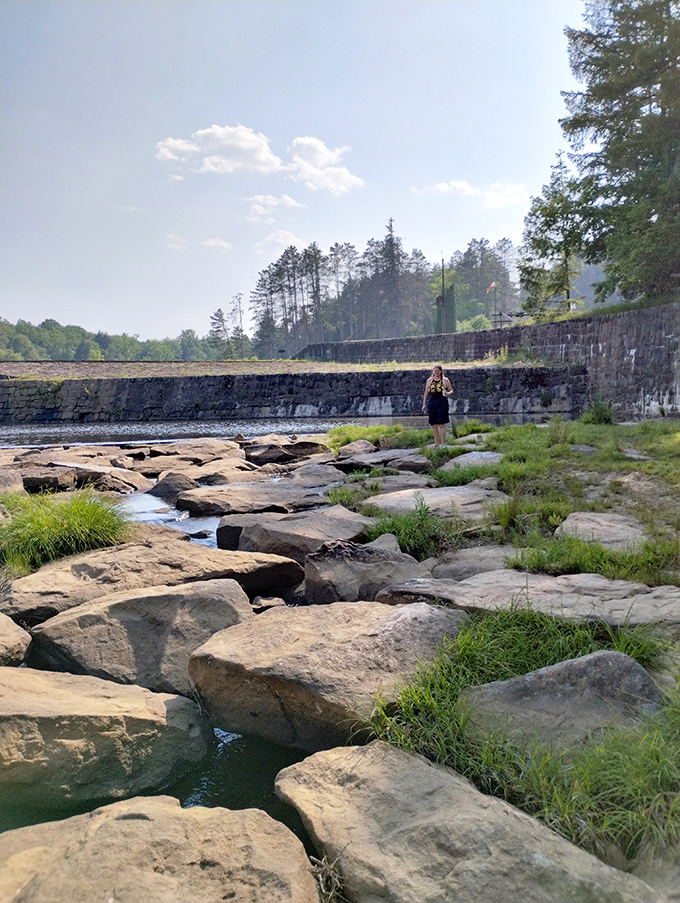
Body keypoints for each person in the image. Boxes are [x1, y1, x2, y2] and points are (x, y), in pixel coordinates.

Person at [422, 364, 453, 448]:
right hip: (432, 402)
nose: (436, 372)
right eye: (435, 371)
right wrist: (424, 404)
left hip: (442, 402)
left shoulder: (445, 380)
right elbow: (426, 393)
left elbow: (451, 391)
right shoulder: (429, 380)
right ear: (433, 371)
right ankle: (436, 443)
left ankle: (443, 443)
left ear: (441, 371)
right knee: (433, 424)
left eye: (438, 371)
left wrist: (447, 393)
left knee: (441, 424)